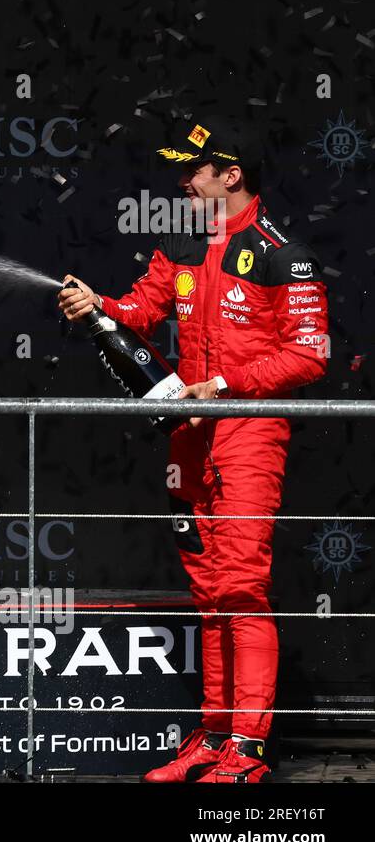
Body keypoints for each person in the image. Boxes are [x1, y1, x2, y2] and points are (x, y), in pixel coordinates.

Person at [59, 117, 329, 783]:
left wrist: (228, 383)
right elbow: (140, 311)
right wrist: (98, 305)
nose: (183, 181)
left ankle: (248, 748)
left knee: (241, 588)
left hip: (248, 430)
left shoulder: (281, 253)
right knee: (209, 593)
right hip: (188, 432)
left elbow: (311, 354)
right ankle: (212, 735)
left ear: (230, 174)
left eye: (194, 169)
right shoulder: (180, 241)